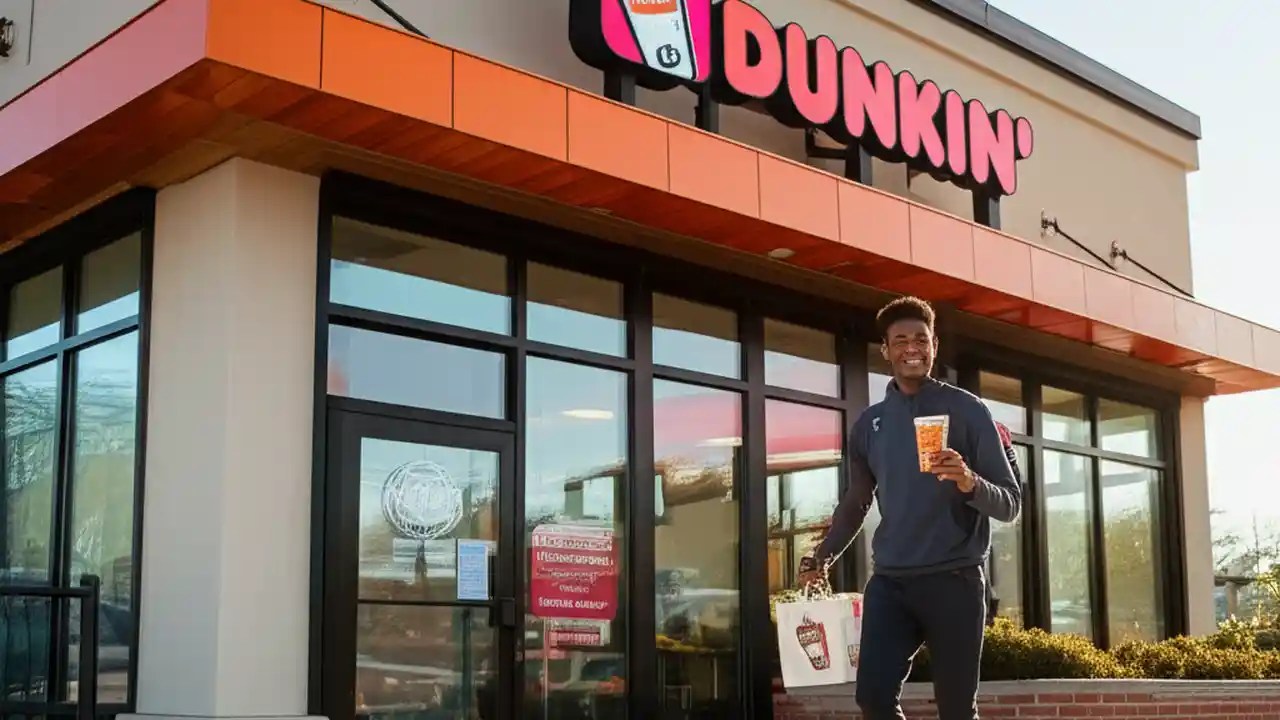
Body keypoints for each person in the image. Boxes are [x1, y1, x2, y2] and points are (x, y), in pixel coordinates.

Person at [797, 296, 1021, 720]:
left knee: (956, 709)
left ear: (934, 345)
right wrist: (822, 555)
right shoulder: (869, 425)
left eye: (921, 339)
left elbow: (1011, 503)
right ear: (885, 350)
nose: (911, 348)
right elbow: (856, 502)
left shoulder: (969, 411)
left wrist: (969, 481)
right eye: (900, 340)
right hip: (891, 583)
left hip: (954, 579)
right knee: (874, 698)